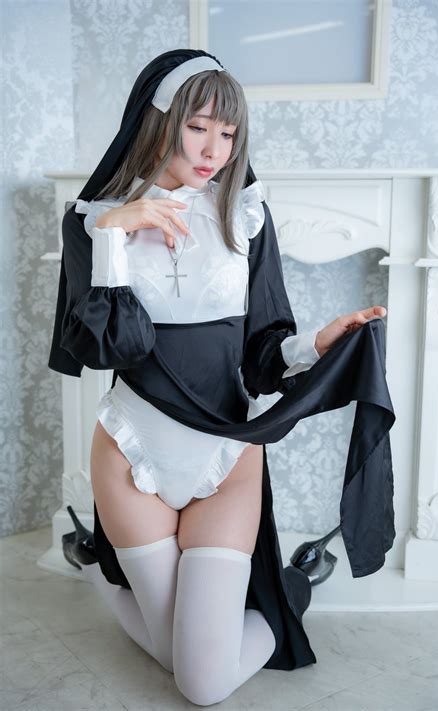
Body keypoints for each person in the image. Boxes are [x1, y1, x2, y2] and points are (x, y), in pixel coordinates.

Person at [48, 49, 396, 706]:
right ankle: (100, 565)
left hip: (226, 456)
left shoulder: (245, 214)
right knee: (182, 655)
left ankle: (291, 585)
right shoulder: (92, 220)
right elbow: (109, 347)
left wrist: (316, 343)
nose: (215, 150)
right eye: (198, 126)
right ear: (159, 120)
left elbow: (263, 357)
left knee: (200, 680)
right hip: (131, 457)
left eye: (229, 133)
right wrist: (113, 236)